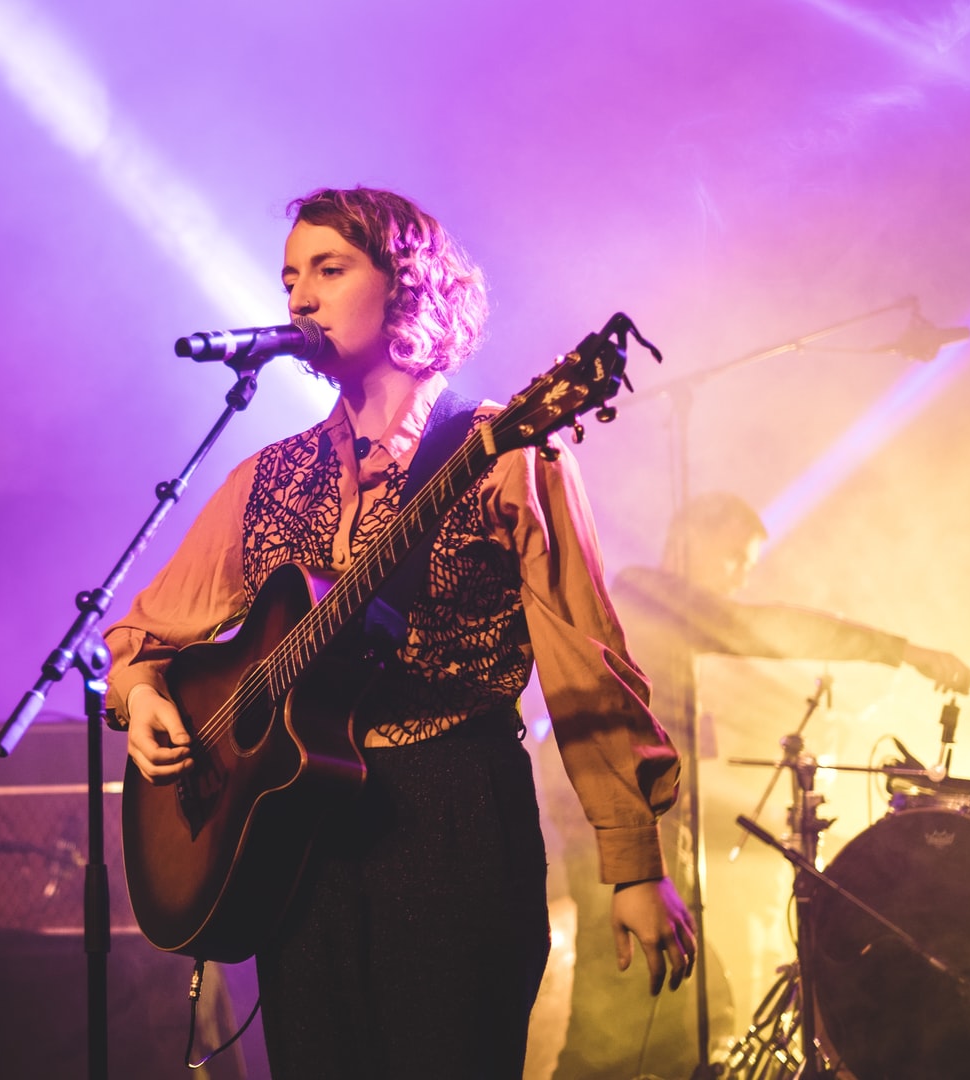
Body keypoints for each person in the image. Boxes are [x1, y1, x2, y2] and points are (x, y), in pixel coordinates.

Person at [105, 186, 696, 1079]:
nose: (299, 297)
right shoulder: (268, 476)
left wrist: (633, 864)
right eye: (289, 277)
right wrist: (143, 692)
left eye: (330, 269)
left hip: (453, 815)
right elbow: (142, 636)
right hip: (296, 836)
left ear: (409, 288)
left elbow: (587, 666)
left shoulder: (505, 452)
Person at [548, 491, 970, 1079]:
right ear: (689, 540)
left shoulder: (673, 637)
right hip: (612, 831)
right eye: (733, 556)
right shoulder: (644, 589)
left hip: (635, 830)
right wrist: (899, 651)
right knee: (623, 1015)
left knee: (666, 1015)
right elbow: (759, 628)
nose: (742, 573)